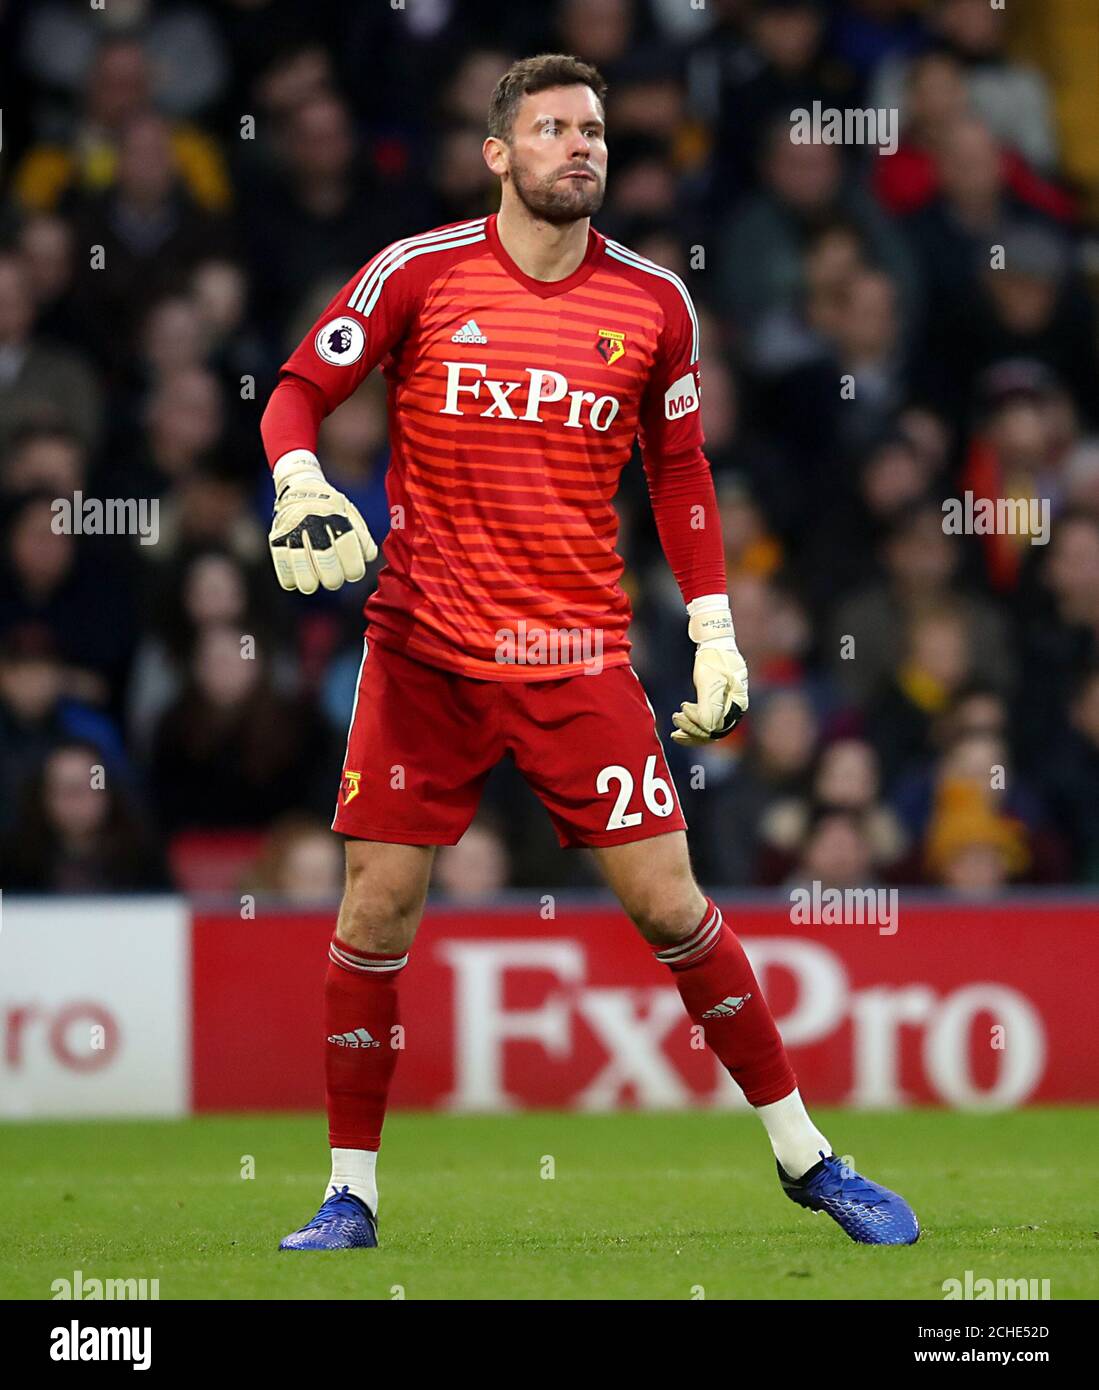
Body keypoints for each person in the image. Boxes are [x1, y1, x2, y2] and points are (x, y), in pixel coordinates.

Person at [260, 53, 918, 1252]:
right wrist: (298, 477)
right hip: (423, 652)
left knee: (674, 906)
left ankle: (809, 1159)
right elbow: (298, 388)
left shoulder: (655, 303)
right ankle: (348, 1194)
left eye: (596, 130)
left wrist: (715, 631)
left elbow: (679, 473)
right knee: (376, 910)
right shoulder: (418, 273)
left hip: (575, 654)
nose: (582, 146)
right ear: (498, 154)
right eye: (554, 128)